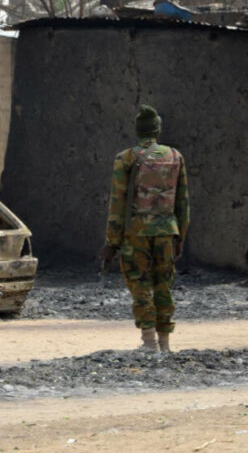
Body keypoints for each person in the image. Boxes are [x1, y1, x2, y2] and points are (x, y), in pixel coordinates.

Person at [100, 104, 190, 352]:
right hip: (167, 233)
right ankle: (165, 343)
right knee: (163, 285)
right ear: (157, 130)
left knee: (140, 284)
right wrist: (180, 236)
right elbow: (183, 202)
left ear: (138, 131)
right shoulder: (175, 156)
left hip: (136, 233)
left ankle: (149, 342)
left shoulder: (126, 158)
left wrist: (111, 242)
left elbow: (117, 203)